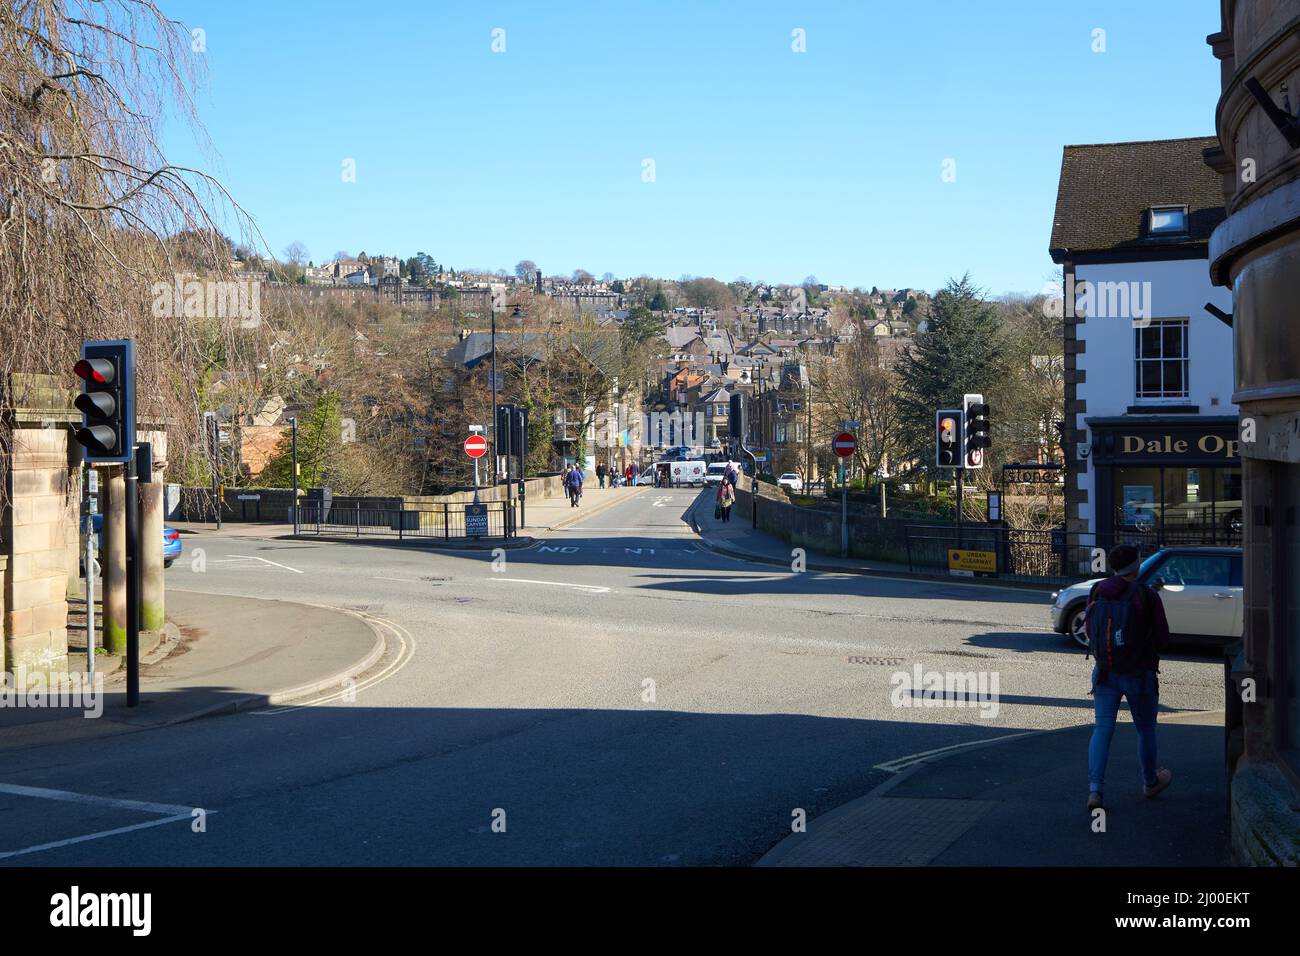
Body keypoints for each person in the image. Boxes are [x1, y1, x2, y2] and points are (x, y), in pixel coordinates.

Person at [1085, 543, 1173, 813]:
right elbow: (1162, 638)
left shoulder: (1098, 590)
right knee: (1145, 729)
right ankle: (1149, 781)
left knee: (1102, 729)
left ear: (1112, 565)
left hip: (1106, 670)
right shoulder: (1146, 596)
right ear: (1136, 565)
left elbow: (1091, 630)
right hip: (1140, 673)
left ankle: (1095, 791)